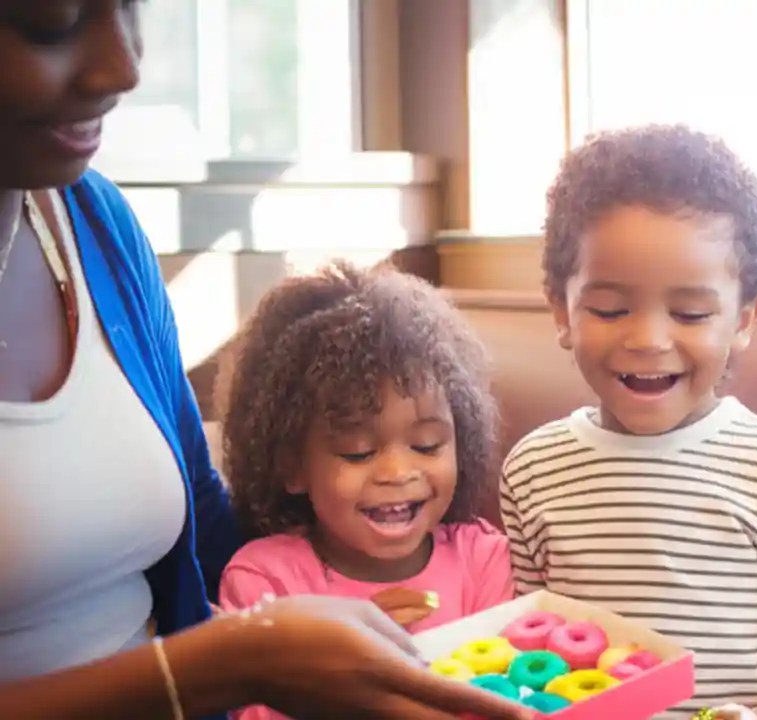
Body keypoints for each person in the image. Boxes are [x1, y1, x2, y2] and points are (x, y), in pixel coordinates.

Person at [0, 2, 528, 718]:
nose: (123, 68)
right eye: (50, 20)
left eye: (130, 7)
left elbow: (201, 510)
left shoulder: (99, 227)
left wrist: (334, 592)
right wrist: (235, 662)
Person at [498, 125, 757, 719]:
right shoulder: (534, 469)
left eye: (690, 312)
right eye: (610, 309)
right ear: (561, 312)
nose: (648, 339)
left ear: (745, 319)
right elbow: (519, 639)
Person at [217, 262, 515, 719]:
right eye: (357, 452)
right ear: (292, 466)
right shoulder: (265, 583)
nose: (397, 471)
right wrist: (346, 666)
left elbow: (510, 695)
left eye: (426, 444)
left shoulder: (483, 560)